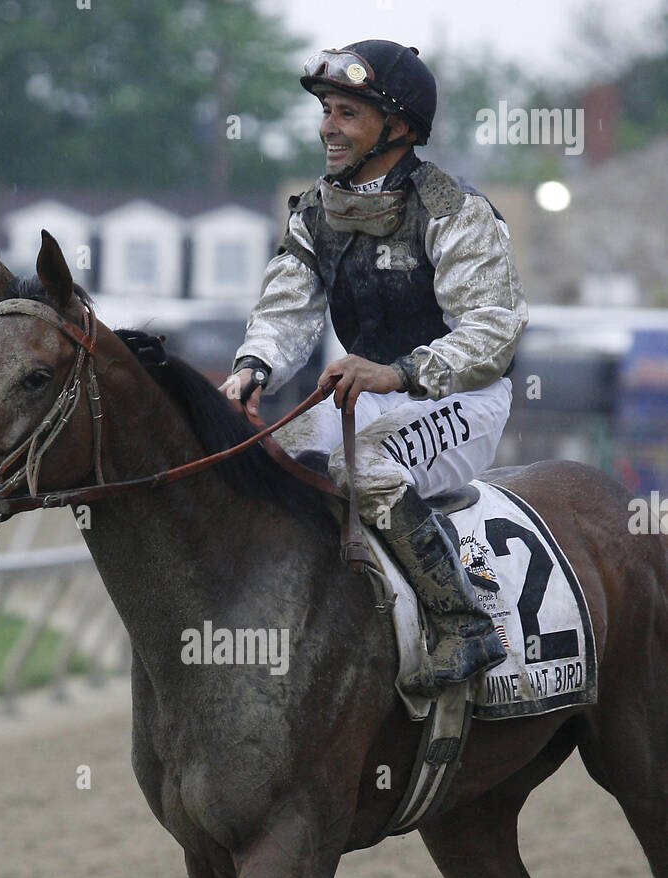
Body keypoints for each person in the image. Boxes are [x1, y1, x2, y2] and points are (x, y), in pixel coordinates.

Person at [220, 40, 529, 699]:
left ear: (400, 127)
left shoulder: (453, 206)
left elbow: (492, 332)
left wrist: (401, 373)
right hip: (365, 397)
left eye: (347, 113)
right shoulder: (313, 210)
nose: (329, 126)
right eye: (327, 110)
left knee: (364, 469)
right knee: (271, 462)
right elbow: (285, 310)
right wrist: (252, 370)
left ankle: (464, 623)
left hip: (464, 401)